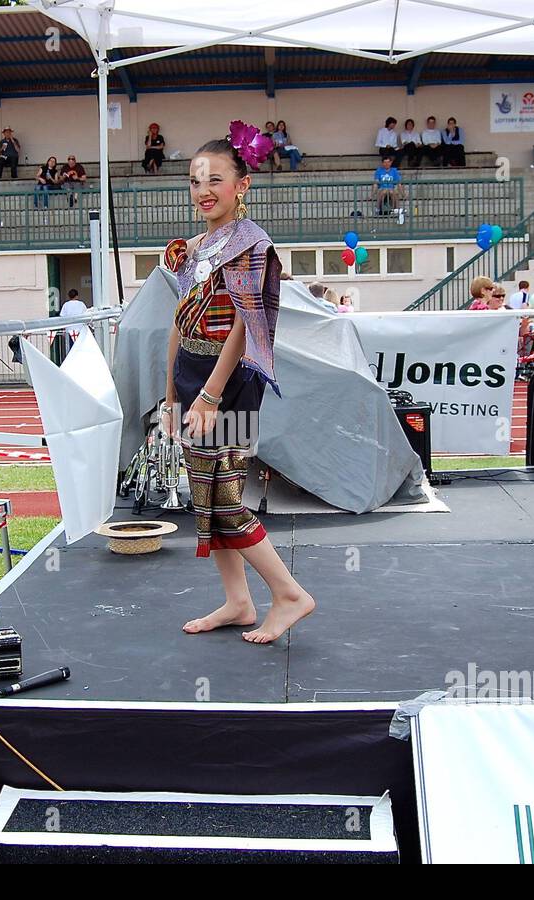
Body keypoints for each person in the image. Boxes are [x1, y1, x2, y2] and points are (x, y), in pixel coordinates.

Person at [161, 125, 315, 645]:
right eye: (194, 180)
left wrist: (208, 395)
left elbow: (245, 324)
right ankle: (239, 601)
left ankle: (289, 594)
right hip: (191, 376)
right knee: (203, 495)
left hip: (229, 385)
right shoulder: (194, 247)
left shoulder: (252, 244)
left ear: (242, 185)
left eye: (215, 179)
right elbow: (178, 324)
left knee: (226, 497)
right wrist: (172, 394)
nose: (203, 190)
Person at [56, 289, 88, 363]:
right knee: (81, 348)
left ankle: (71, 363)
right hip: (80, 330)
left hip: (69, 331)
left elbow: (62, 318)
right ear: (77, 296)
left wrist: (64, 329)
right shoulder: (81, 304)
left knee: (70, 350)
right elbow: (86, 316)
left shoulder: (66, 305)